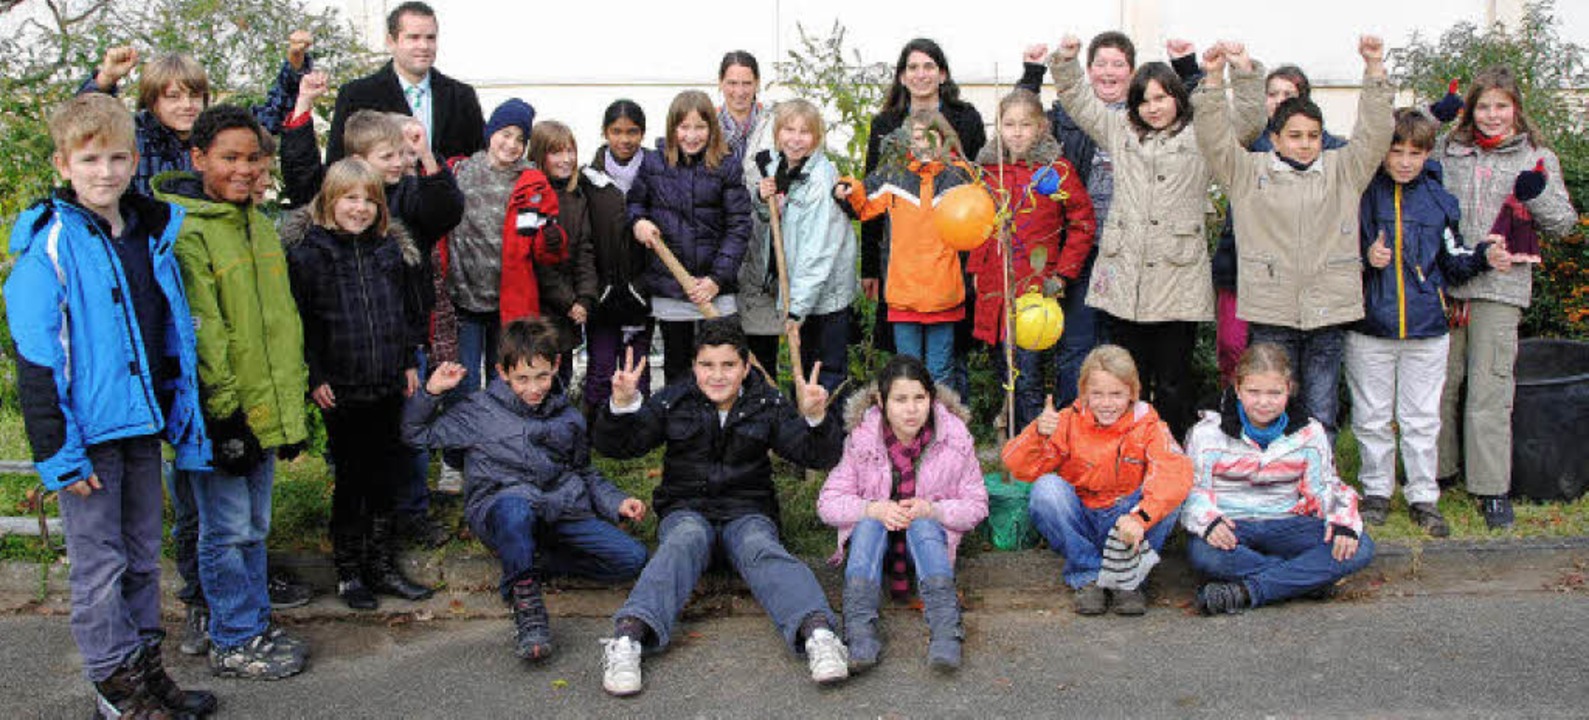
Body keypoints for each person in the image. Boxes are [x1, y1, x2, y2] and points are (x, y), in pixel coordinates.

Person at [6, 92, 217, 719]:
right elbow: (39, 356)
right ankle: (114, 688)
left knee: (143, 557)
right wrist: (59, 453)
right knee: (99, 568)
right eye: (90, 159)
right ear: (63, 164)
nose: (106, 172)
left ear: (135, 160)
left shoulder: (148, 230)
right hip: (88, 436)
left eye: (118, 157)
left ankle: (147, 671)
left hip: (141, 421)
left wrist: (181, 407)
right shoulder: (50, 243)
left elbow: (168, 325)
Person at [593, 319, 848, 696]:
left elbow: (815, 454)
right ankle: (629, 637)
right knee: (683, 540)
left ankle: (819, 633)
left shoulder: (767, 402)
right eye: (707, 365)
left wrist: (816, 419)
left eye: (728, 365)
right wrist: (622, 406)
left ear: (746, 367)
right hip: (687, 509)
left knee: (761, 548)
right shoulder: (674, 399)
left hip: (747, 511)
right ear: (694, 366)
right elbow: (619, 447)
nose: (717, 375)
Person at [154, 104, 310, 679]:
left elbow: (277, 326)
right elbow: (204, 334)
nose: (244, 170)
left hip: (263, 410)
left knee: (252, 526)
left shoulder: (258, 225)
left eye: (254, 159)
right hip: (221, 415)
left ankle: (248, 619)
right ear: (198, 159)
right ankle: (234, 637)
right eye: (229, 158)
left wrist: (288, 417)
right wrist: (223, 417)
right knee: (227, 529)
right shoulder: (188, 232)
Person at [1045, 35, 1263, 439]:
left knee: (1174, 383)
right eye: (1144, 100)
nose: (1153, 107)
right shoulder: (1118, 130)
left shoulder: (1201, 135)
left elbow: (1249, 122)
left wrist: (1242, 71)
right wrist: (1067, 61)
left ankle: (1174, 455)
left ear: (1178, 99)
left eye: (1161, 98)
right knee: (1130, 380)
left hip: (1177, 282)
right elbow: (1078, 99)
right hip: (1126, 279)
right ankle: (1127, 455)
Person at [282, 83, 465, 546]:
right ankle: (355, 551)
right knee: (358, 463)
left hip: (399, 346)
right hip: (345, 363)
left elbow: (445, 208)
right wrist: (302, 108)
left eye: (401, 155)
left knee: (406, 439)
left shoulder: (405, 198)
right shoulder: (325, 222)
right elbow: (301, 172)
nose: (399, 163)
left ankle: (407, 519)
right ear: (359, 160)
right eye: (390, 155)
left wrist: (425, 157)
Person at [404, 318, 648, 662]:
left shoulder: (568, 417)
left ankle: (531, 563)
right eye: (522, 378)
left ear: (557, 367)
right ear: (503, 372)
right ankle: (528, 606)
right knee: (515, 508)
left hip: (558, 509)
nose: (533, 388)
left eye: (542, 377)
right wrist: (430, 394)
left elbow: (583, 471)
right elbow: (414, 434)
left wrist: (617, 501)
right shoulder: (479, 411)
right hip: (502, 511)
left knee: (631, 558)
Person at [1193, 37, 1394, 444]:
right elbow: (1214, 138)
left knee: (1320, 407)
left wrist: (1374, 70)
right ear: (1277, 137)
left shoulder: (1344, 170)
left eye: (1313, 136)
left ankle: (1321, 484)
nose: (1305, 144)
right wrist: (1214, 81)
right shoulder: (1248, 172)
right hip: (1271, 311)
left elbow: (1375, 132)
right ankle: (1272, 479)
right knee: (1270, 403)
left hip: (1328, 310)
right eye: (1295, 135)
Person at [1016, 35, 1202, 408]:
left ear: (1131, 73)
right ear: (1088, 71)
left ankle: (1128, 433)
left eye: (1118, 64)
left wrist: (1189, 70)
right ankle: (1075, 429)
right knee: (1078, 344)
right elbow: (1021, 123)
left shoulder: (1152, 122)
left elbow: (1201, 120)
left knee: (1126, 354)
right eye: (1100, 63)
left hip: (1134, 255)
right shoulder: (1069, 116)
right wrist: (1034, 73)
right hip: (1082, 249)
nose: (1108, 71)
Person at [1348, 108, 1509, 537]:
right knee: (1371, 416)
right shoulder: (1361, 195)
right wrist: (1366, 260)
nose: (1404, 161)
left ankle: (1423, 497)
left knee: (1421, 418)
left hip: (1427, 329)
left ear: (1426, 154)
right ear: (1382, 151)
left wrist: (1483, 258)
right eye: (1396, 150)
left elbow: (1453, 262)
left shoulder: (1439, 200)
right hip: (1369, 326)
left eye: (1414, 153)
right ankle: (1376, 492)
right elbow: (1337, 255)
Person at [284, 158, 435, 609]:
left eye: (370, 200)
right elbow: (302, 321)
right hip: (342, 384)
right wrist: (315, 374)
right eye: (350, 198)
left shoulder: (387, 249)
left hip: (387, 377)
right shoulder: (311, 253)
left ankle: (383, 563)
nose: (360, 208)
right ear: (330, 200)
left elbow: (407, 311)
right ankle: (350, 570)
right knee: (353, 477)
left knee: (387, 474)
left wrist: (409, 360)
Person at [1434, 66, 1577, 528]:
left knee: (1490, 388)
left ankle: (1491, 487)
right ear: (1471, 109)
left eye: (1501, 106)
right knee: (1441, 384)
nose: (1492, 115)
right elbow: (1401, 142)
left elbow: (1563, 224)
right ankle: (1438, 474)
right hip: (1447, 280)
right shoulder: (1450, 148)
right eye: (1483, 106)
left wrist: (1535, 197)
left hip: (1501, 285)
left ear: (1516, 108)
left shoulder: (1538, 156)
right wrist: (1434, 113)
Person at [817, 355, 987, 671]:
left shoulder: (954, 438)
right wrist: (872, 508)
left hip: (928, 547)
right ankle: (859, 630)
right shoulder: (862, 438)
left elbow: (977, 505)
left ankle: (946, 629)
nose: (911, 409)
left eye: (919, 398)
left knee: (922, 523)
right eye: (900, 399)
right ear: (881, 402)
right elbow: (827, 502)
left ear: (931, 399)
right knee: (868, 524)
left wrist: (933, 509)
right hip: (876, 552)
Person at [1182, 343, 1375, 614]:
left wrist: (1343, 521)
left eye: (1275, 392)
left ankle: (1245, 591)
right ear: (1237, 389)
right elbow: (1192, 489)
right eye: (1253, 392)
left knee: (1361, 546)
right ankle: (1305, 580)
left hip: (1288, 521)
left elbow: (1325, 486)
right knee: (1205, 556)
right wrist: (1208, 522)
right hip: (1231, 524)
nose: (1264, 402)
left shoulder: (1310, 432)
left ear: (1289, 390)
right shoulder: (1206, 433)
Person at [1004, 345, 1192, 616]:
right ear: (1084, 393)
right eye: (1097, 394)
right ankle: (1089, 574)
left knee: (1172, 497)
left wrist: (1141, 517)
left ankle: (1129, 579)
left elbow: (1174, 472)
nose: (1106, 403)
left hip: (1128, 522)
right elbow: (1017, 467)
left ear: (1132, 392)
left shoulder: (1150, 425)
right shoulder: (1067, 420)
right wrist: (1037, 433)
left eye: (1116, 394)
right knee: (1046, 490)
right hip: (1083, 521)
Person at [1208, 65, 1348, 386]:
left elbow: (1372, 150)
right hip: (1239, 264)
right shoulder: (1248, 142)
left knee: (1280, 358)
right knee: (1232, 346)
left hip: (1295, 276)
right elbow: (1212, 131)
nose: (1279, 100)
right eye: (1272, 94)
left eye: (1289, 94)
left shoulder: (1326, 150)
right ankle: (1237, 409)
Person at [968, 89, 1097, 431]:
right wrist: (977, 269)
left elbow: (1082, 222)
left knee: (1028, 376)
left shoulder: (1055, 171)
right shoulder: (987, 170)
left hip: (1034, 289)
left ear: (1041, 127)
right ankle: (1013, 444)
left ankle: (1034, 449)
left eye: (1026, 124)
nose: (1017, 131)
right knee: (1003, 372)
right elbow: (977, 223)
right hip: (996, 288)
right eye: (1009, 124)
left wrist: (1064, 273)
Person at [860, 39, 986, 380]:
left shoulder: (966, 118)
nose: (921, 74)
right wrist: (869, 266)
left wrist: (979, 261)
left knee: (950, 350)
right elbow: (873, 194)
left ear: (942, 74)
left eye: (929, 66)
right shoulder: (886, 124)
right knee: (908, 358)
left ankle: (950, 424)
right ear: (902, 76)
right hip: (903, 260)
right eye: (913, 67)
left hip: (954, 255)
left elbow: (980, 191)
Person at [835, 109, 976, 389]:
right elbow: (863, 201)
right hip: (904, 292)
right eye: (917, 137)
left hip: (944, 292)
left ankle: (942, 429)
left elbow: (982, 218)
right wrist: (847, 186)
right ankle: (907, 429)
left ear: (945, 138)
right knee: (907, 371)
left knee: (941, 371)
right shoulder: (894, 174)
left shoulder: (961, 175)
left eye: (930, 137)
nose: (923, 144)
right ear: (905, 141)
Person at [78, 31, 315, 196]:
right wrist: (106, 79)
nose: (187, 105)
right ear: (152, 101)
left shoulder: (215, 133)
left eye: (194, 96)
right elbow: (87, 121)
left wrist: (294, 65)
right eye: (173, 97)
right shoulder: (134, 134)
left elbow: (270, 116)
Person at [627, 90, 752, 384]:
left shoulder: (726, 166)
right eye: (684, 127)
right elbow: (635, 204)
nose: (692, 136)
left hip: (714, 292)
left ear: (712, 128)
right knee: (678, 369)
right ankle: (681, 428)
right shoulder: (654, 163)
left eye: (700, 127)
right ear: (672, 128)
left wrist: (716, 279)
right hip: (672, 287)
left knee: (720, 369)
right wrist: (639, 223)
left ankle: (720, 427)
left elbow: (739, 226)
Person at [741, 99, 858, 393]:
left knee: (825, 372)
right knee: (802, 369)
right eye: (789, 129)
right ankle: (803, 432)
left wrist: (796, 310)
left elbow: (818, 251)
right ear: (778, 133)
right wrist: (762, 197)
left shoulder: (820, 179)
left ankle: (826, 434)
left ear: (816, 138)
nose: (795, 138)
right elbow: (773, 219)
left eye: (804, 132)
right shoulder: (778, 167)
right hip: (801, 292)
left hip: (824, 294)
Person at [326, 1, 484, 164]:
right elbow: (338, 165)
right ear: (391, 41)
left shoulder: (461, 96)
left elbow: (478, 160)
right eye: (413, 37)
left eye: (430, 38)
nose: (424, 46)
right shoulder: (356, 95)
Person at [584, 100, 654, 412]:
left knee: (637, 365)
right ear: (604, 133)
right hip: (602, 290)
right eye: (616, 131)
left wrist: (648, 283)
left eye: (632, 132)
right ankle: (597, 428)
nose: (624, 139)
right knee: (601, 365)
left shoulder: (656, 171)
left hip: (643, 290)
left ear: (642, 133)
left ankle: (639, 432)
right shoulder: (589, 178)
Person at [717, 51, 764, 160]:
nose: (740, 92)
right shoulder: (708, 125)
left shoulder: (771, 123)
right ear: (720, 82)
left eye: (747, 83)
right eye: (732, 83)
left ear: (757, 84)